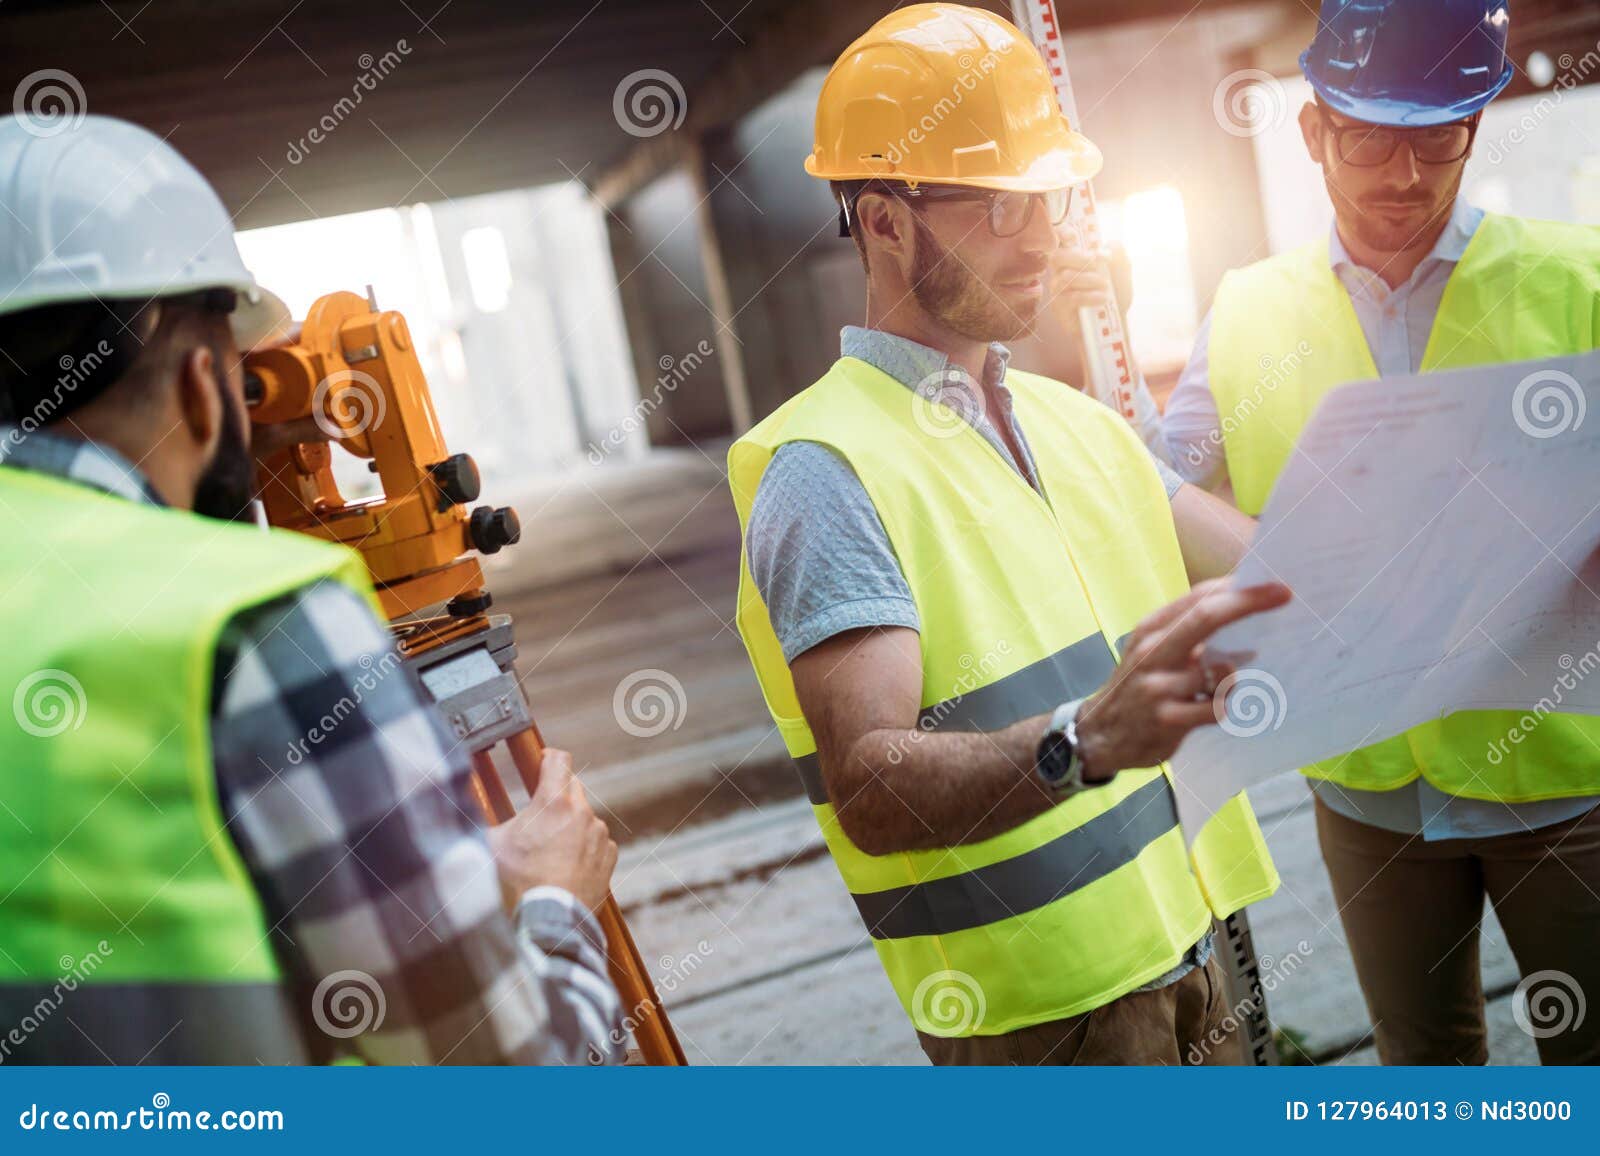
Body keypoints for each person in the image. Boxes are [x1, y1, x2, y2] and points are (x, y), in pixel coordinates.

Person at [726, 4, 1287, 1066]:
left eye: (1049, 199)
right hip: (1053, 1021)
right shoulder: (825, 469)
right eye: (997, 207)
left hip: (1200, 948)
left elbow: (1274, 572)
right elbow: (874, 788)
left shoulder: (1077, 424)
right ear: (883, 222)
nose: (1044, 237)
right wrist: (1083, 739)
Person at [0, 114, 623, 1065]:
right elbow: (501, 1079)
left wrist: (407, 886)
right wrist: (553, 904)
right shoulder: (256, 619)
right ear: (207, 381)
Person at [1165, 0, 1600, 1065]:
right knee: (1425, 1078)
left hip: (1561, 775)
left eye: (1434, 140)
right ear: (1313, 132)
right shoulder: (1248, 310)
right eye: (1368, 140)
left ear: (1475, 129)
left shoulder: (1577, 279)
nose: (1402, 178)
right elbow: (1138, 481)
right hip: (1368, 785)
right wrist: (1271, 558)